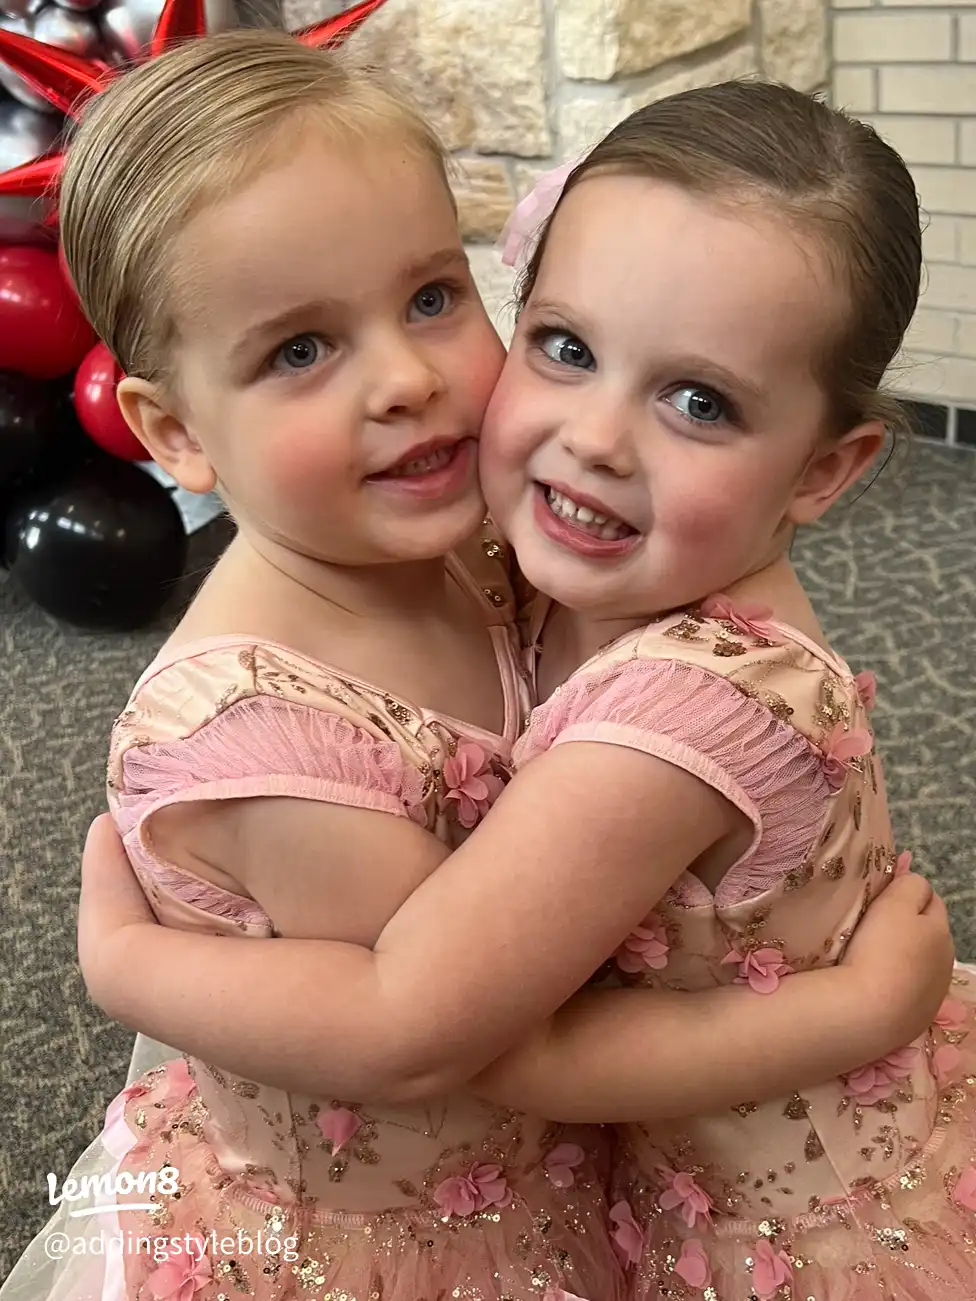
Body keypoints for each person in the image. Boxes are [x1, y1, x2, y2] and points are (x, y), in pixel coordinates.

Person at [24, 55, 962, 1301]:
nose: (408, 379)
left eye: (428, 297)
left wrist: (129, 960)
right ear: (176, 432)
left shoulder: (503, 559)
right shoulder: (276, 744)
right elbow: (419, 1033)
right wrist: (120, 965)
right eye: (301, 345)